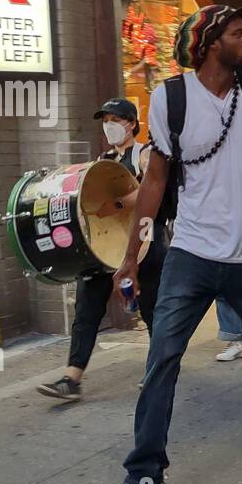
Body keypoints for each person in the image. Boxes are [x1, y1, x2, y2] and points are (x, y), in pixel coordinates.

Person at [84, 4, 242, 484]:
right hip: (191, 250)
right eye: (238, 34)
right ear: (211, 44)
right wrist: (131, 256)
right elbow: (157, 181)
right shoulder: (171, 98)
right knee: (162, 356)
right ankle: (144, 478)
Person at [38, 98, 165, 402]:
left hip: (143, 244)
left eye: (115, 119)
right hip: (106, 248)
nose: (108, 126)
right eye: (104, 120)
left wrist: (118, 204)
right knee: (87, 308)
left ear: (131, 123)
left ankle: (158, 369)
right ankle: (72, 378)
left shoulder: (144, 154)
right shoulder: (102, 160)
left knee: (151, 309)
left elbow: (151, 189)